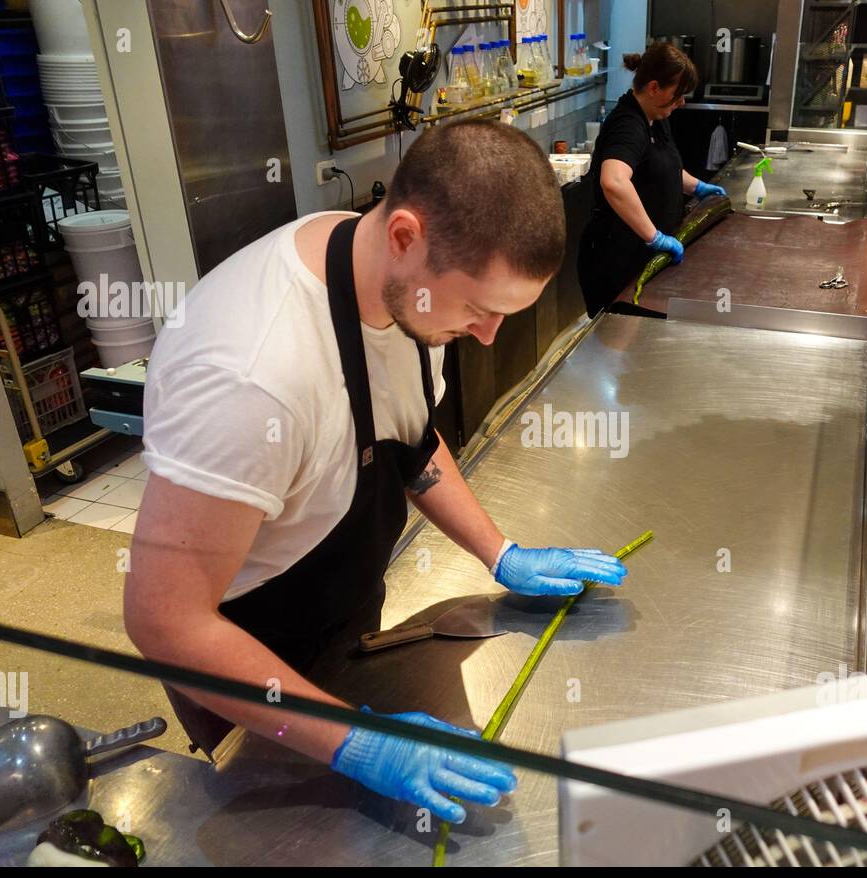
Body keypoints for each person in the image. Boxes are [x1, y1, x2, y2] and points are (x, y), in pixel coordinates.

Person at [123, 120, 628, 825]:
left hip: (347, 614)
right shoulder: (250, 376)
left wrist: (499, 552)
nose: (488, 336)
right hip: (248, 645)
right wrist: (359, 743)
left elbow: (411, 443)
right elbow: (165, 622)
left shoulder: (398, 284)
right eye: (479, 310)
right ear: (403, 237)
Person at [577, 42, 726, 319]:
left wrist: (697, 187)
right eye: (677, 94)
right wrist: (654, 237)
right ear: (654, 87)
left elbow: (664, 168)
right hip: (616, 261)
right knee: (622, 348)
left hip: (641, 258)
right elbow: (614, 182)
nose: (681, 102)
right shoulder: (628, 125)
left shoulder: (656, 115)